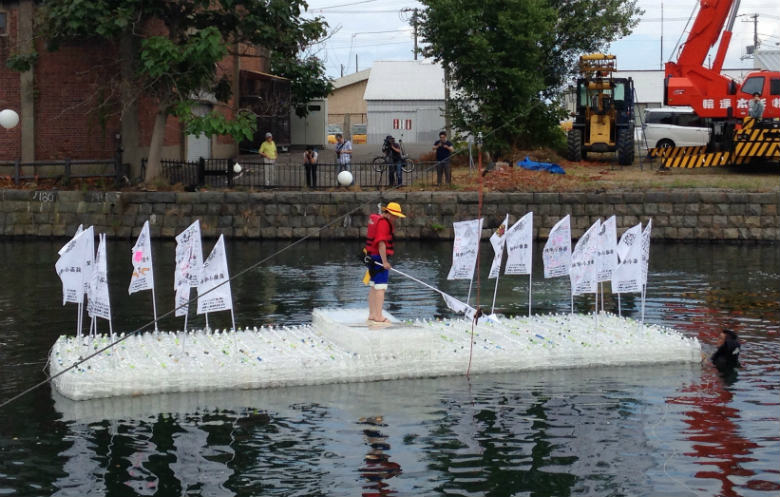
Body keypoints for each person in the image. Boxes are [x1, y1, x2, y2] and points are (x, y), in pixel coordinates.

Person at [365, 202, 405, 325]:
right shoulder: (384, 224)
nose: (396, 218)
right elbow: (381, 243)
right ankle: (378, 316)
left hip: (372, 257)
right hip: (378, 258)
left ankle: (372, 314)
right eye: (395, 215)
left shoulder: (380, 220)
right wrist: (385, 262)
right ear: (389, 213)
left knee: (373, 286)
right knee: (381, 287)